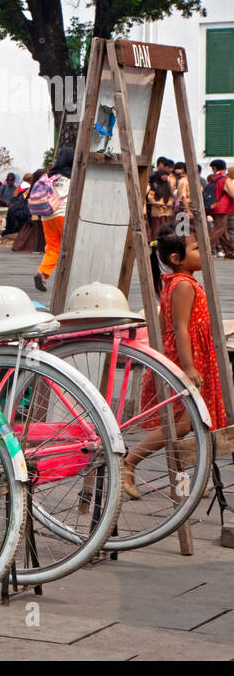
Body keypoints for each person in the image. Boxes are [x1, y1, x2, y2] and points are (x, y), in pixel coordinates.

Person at [122, 224, 227, 499]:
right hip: (186, 359)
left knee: (185, 425)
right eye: (195, 248)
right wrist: (189, 367)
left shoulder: (177, 283)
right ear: (175, 259)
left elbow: (163, 323)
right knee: (181, 424)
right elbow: (180, 328)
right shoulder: (182, 285)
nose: (202, 252)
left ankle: (183, 485)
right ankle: (129, 461)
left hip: (187, 356)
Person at [34, 147, 73, 292]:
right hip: (64, 215)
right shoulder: (72, 175)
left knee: (53, 248)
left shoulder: (50, 175)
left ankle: (42, 273)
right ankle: (70, 278)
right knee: (72, 247)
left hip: (47, 216)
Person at [207, 159, 234, 257]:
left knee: (223, 230)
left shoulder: (214, 178)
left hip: (214, 207)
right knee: (219, 229)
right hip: (222, 208)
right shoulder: (225, 179)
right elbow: (232, 192)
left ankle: (229, 251)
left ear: (214, 168)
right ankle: (203, 247)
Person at [146, 169, 175, 242]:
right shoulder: (154, 185)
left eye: (166, 175)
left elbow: (172, 196)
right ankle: (155, 242)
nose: (165, 176)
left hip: (167, 210)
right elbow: (150, 197)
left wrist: (170, 203)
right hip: (157, 210)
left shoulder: (168, 184)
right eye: (163, 175)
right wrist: (158, 203)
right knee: (157, 227)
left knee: (167, 226)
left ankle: (167, 240)